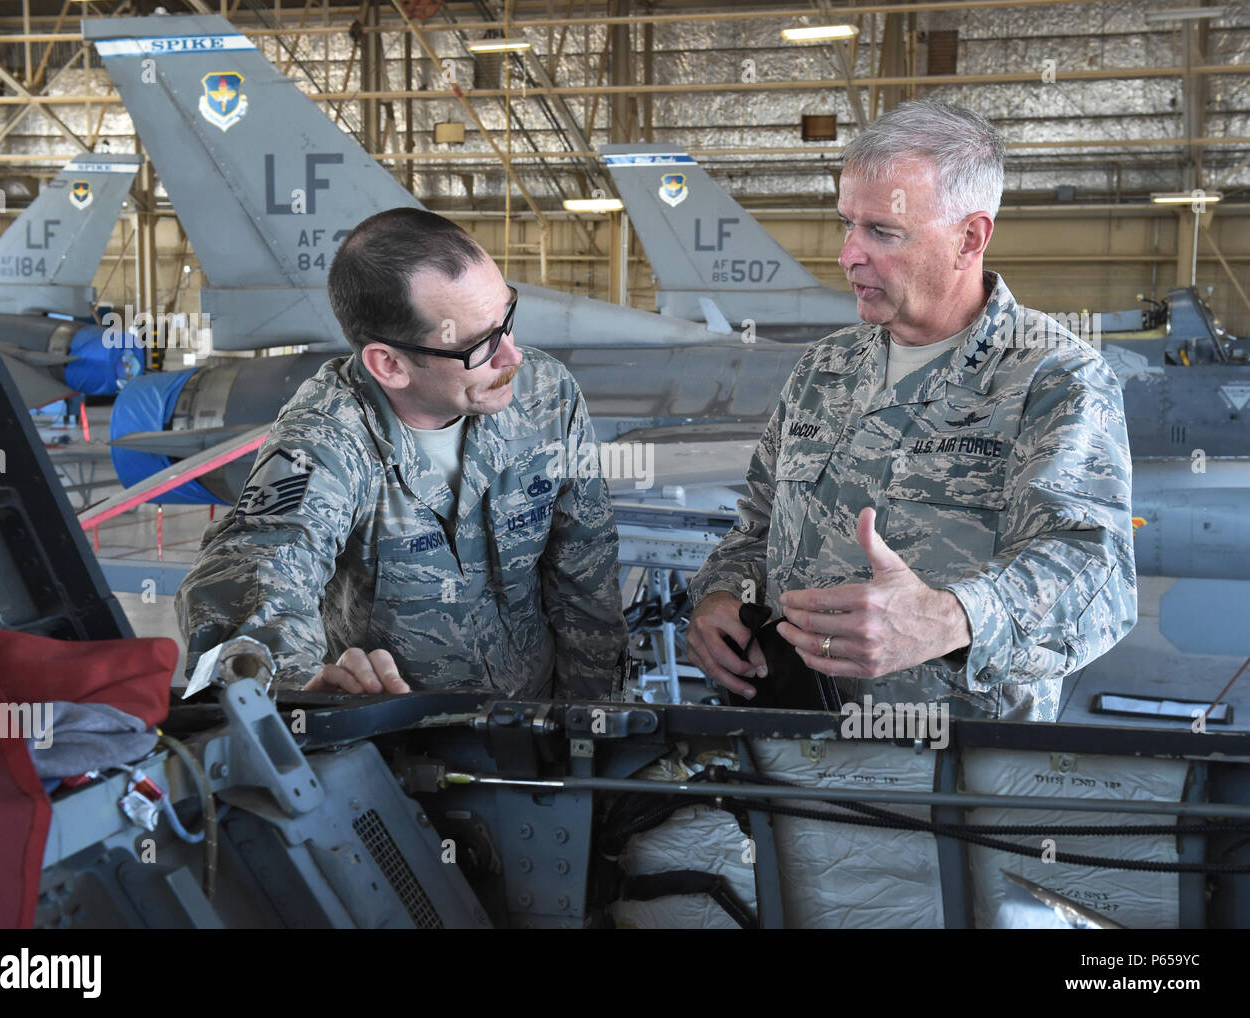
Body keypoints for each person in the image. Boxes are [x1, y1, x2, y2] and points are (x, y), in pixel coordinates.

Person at [686, 99, 1136, 721]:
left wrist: (948, 620)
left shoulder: (1052, 377)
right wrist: (719, 598)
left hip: (951, 772)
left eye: (883, 232)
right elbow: (757, 527)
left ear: (970, 238)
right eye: (848, 224)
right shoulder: (825, 367)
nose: (847, 255)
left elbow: (1096, 579)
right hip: (791, 743)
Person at [176, 208, 627, 697]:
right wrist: (289, 680)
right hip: (401, 742)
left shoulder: (546, 395)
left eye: (508, 319)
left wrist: (598, 727)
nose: (512, 356)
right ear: (389, 364)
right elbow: (253, 571)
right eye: (479, 345)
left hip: (532, 719)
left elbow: (586, 575)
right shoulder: (325, 439)